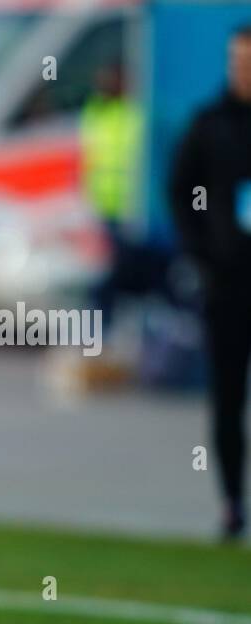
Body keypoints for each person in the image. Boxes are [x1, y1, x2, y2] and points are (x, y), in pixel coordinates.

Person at [169, 24, 251, 541]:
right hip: (229, 284)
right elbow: (181, 190)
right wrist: (203, 253)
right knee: (227, 398)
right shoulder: (209, 124)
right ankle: (231, 502)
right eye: (238, 61)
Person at [80, 60, 149, 336]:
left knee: (119, 274)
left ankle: (107, 332)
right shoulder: (95, 111)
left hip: (132, 209)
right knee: (111, 273)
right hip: (104, 209)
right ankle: (101, 333)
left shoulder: (135, 111)